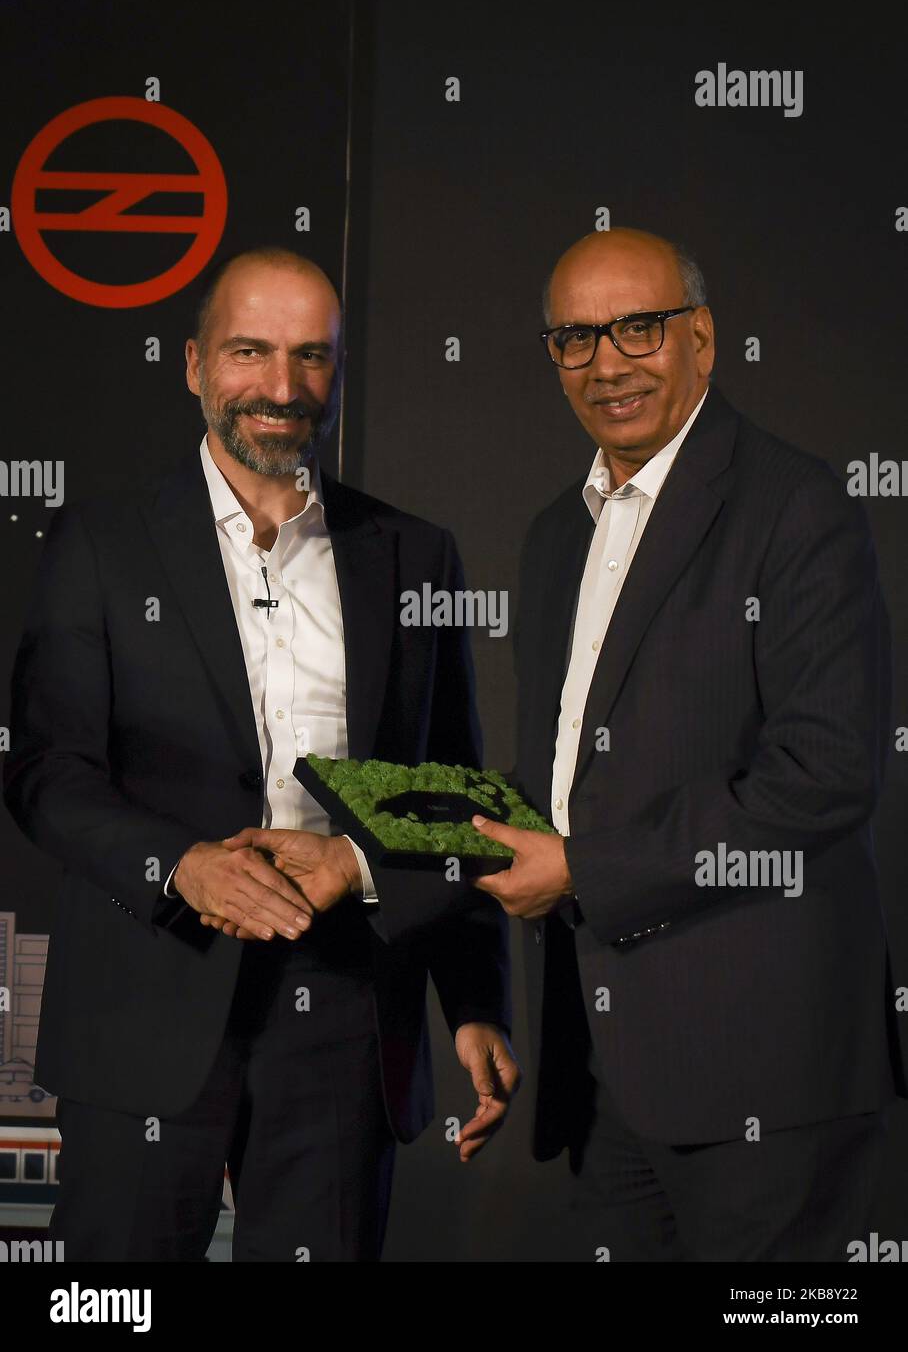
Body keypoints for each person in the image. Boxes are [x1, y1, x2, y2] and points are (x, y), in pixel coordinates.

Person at [3, 246, 516, 1262]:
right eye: (251, 352)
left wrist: (474, 1001)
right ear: (194, 363)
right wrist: (179, 865)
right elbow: (46, 772)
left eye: (310, 358)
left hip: (345, 1018)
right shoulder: (100, 544)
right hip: (144, 1010)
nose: (281, 389)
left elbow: (451, 793)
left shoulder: (416, 554)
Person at [471, 227, 905, 1261]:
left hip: (765, 1070)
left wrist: (579, 868)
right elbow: (562, 781)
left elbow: (825, 774)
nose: (604, 362)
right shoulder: (554, 535)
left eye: (635, 327)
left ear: (701, 340)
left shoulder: (796, 507)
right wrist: (385, 839)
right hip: (607, 1071)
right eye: (573, 338)